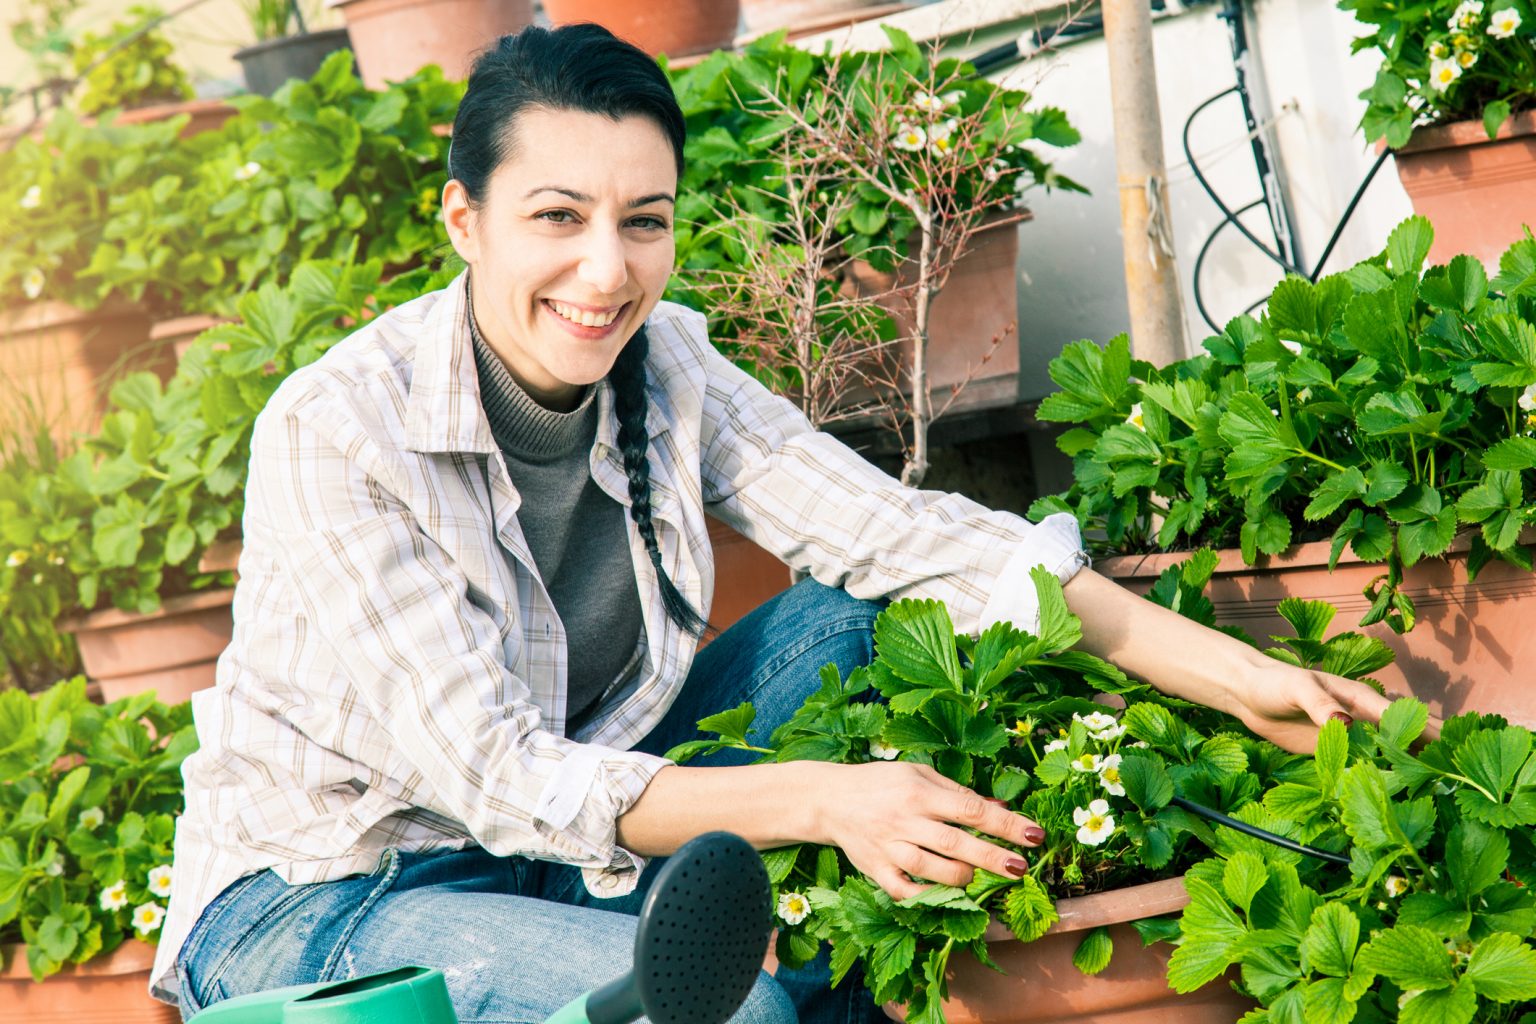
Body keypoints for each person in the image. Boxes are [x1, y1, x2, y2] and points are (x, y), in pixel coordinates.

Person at [153, 23, 1393, 1024]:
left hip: (558, 841)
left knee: (875, 618)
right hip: (329, 895)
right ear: (463, 220)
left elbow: (902, 537)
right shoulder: (339, 428)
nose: (606, 271)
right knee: (744, 1013)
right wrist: (830, 800)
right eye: (556, 217)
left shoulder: (668, 360)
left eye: (644, 220)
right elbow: (500, 776)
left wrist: (1234, 672)